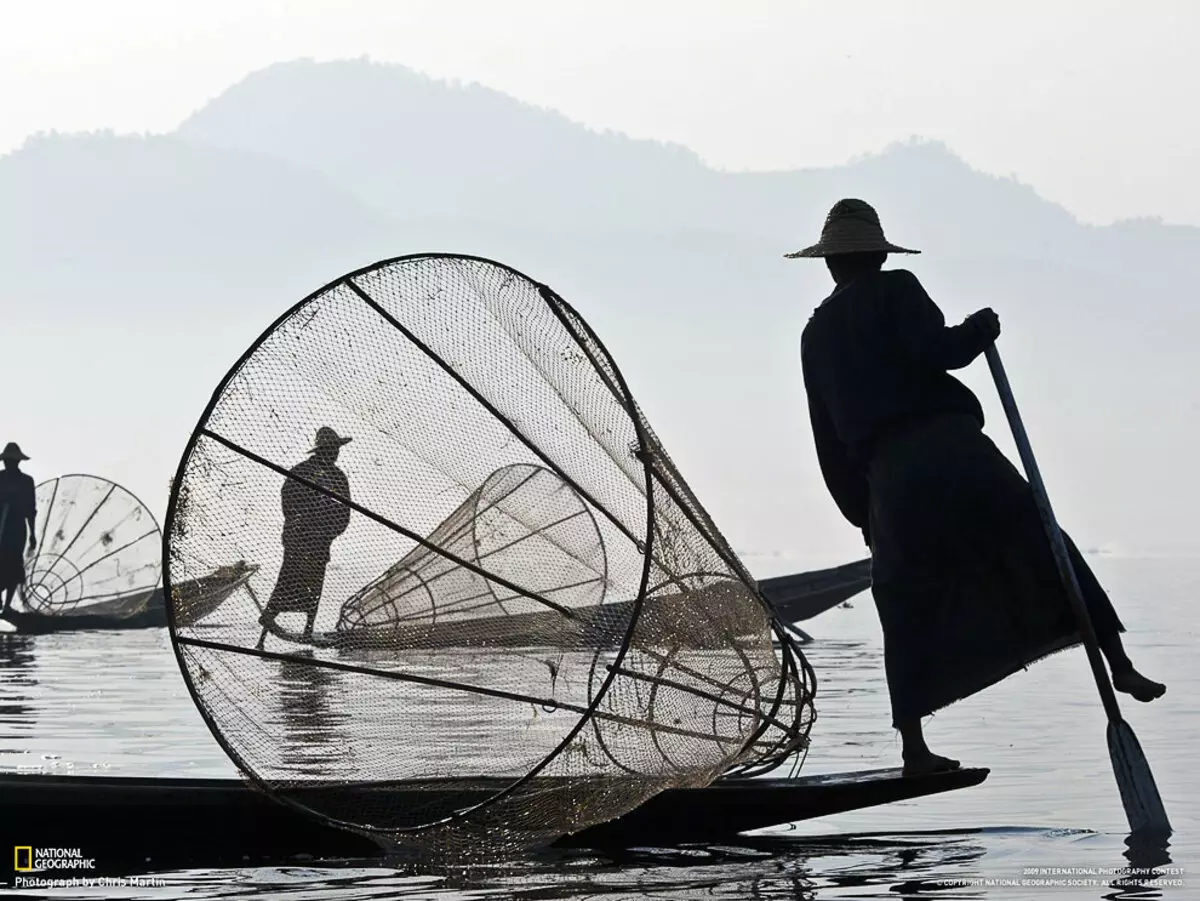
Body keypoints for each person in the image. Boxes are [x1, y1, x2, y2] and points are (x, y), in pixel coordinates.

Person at [789, 199, 1165, 776]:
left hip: (889, 478)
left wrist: (864, 513)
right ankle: (1118, 662)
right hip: (953, 451)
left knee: (902, 597)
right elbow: (938, 352)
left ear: (831, 265)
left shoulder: (814, 336)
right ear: (878, 255)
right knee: (1043, 541)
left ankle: (914, 748)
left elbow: (827, 439)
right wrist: (979, 329)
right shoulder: (897, 290)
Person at [256, 427, 353, 649]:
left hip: (320, 540)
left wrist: (330, 531)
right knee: (288, 579)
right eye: (332, 449)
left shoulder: (338, 477)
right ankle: (264, 630)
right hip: (299, 538)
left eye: (336, 449)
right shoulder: (300, 472)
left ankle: (307, 631)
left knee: (314, 584)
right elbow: (288, 502)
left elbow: (344, 510)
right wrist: (301, 522)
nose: (335, 453)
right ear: (322, 450)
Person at [0, 442, 37, 616]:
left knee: (14, 565)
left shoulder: (26, 481)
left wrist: (33, 533)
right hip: (1, 526)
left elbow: (31, 509)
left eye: (11, 461)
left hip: (16, 528)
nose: (8, 463)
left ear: (18, 462)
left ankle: (7, 605)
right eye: (7, 460)